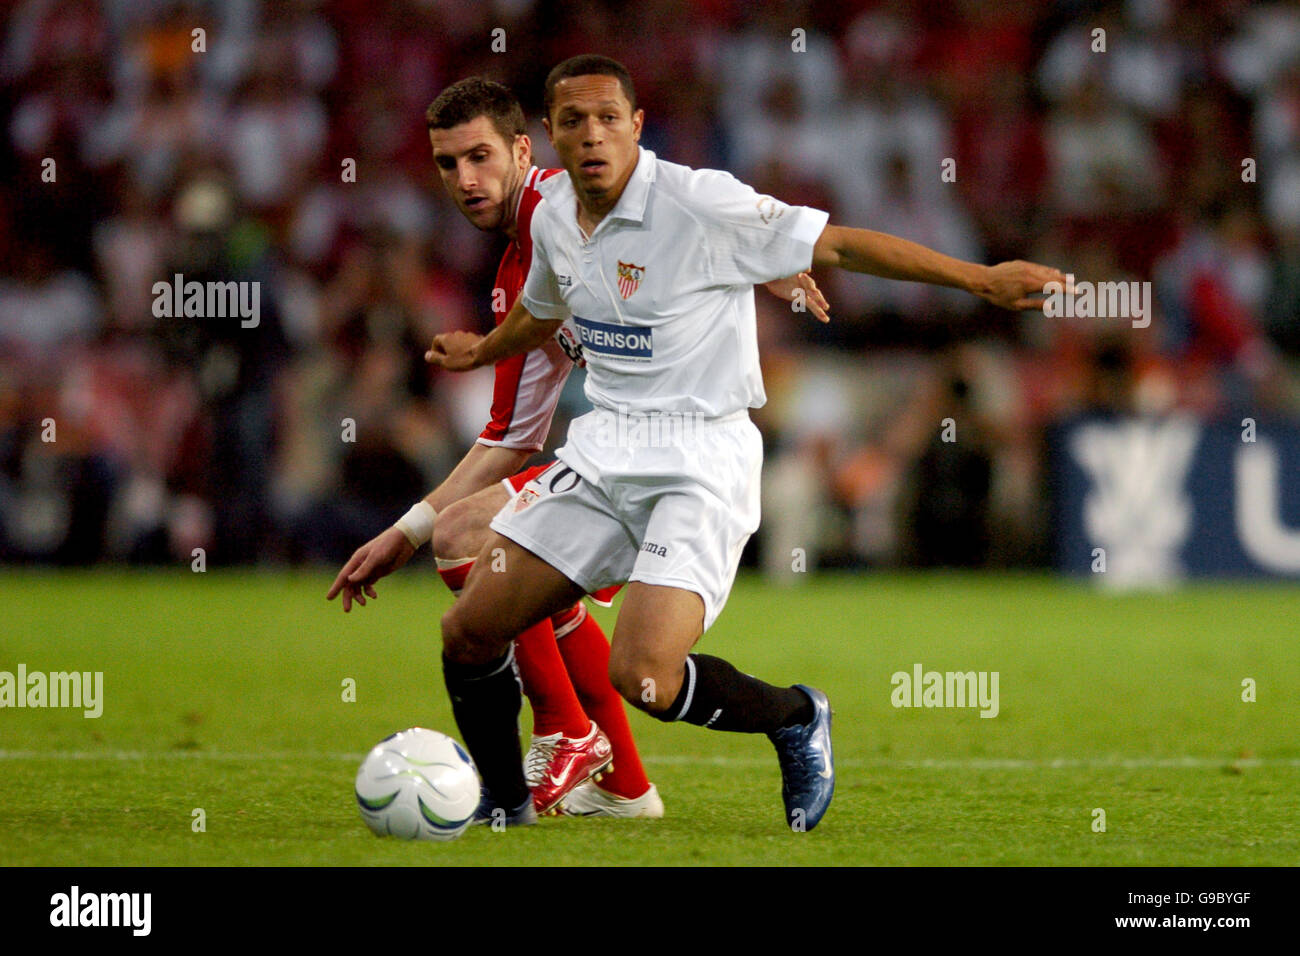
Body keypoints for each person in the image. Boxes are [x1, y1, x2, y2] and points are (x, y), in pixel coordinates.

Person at [427, 55, 1067, 832]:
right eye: (572, 121)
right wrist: (486, 349)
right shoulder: (556, 215)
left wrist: (979, 280)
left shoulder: (699, 202)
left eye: (607, 118)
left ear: (636, 124)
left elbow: (841, 246)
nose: (591, 134)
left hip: (699, 460)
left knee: (646, 679)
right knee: (468, 630)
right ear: (551, 136)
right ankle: (506, 803)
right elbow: (544, 304)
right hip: (604, 455)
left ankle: (794, 717)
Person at [327, 77, 824, 822]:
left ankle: (573, 732)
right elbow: (511, 436)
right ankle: (614, 778)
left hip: (692, 450)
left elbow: (683, 206)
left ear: (523, 151)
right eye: (447, 164)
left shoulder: (578, 203)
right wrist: (405, 532)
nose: (466, 180)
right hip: (611, 456)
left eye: (481, 157)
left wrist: (771, 255)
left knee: (490, 554)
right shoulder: (517, 274)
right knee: (464, 540)